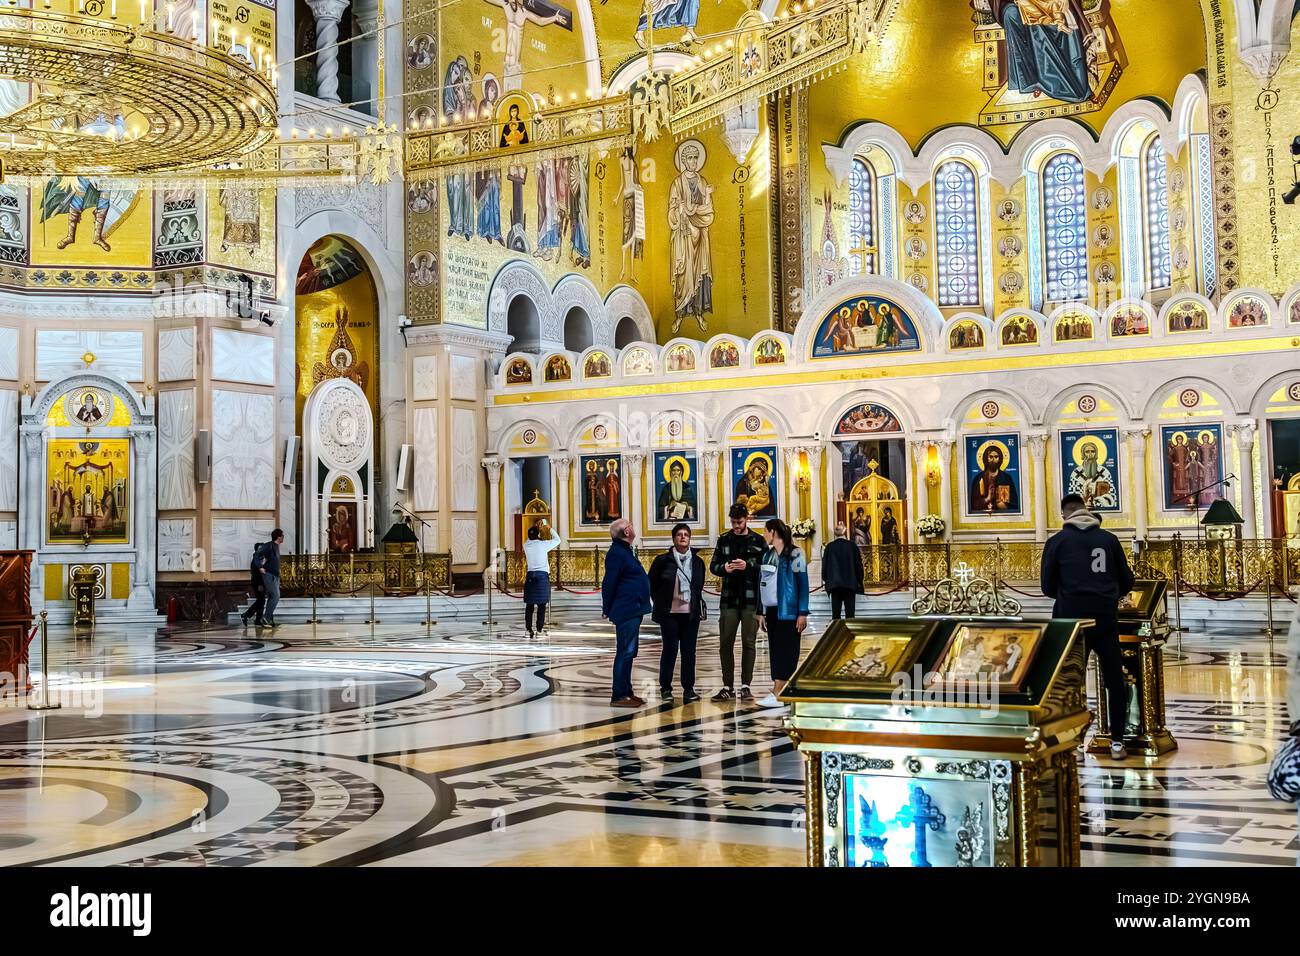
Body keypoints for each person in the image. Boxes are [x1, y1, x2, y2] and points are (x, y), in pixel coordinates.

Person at [1040, 494, 1134, 759]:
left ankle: (1076, 744)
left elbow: (1047, 588)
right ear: (1086, 511)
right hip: (1105, 619)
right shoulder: (1109, 540)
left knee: (1071, 682)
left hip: (1070, 624)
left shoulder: (1056, 542)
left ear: (1064, 515)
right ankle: (1117, 742)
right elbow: (1127, 580)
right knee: (1114, 680)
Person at [709, 503, 766, 701]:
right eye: (733, 522)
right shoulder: (724, 539)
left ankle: (745, 685)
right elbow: (713, 566)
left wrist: (748, 565)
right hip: (729, 599)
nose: (735, 526)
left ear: (747, 520)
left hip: (751, 599)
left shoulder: (758, 540)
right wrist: (725, 567)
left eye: (739, 522)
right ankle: (727, 686)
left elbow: (766, 567)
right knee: (725, 643)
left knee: (749, 643)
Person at [649, 523, 705, 703]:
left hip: (690, 614)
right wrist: (662, 602)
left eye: (686, 534)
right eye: (679, 534)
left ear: (690, 538)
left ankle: (689, 688)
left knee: (689, 652)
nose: (683, 537)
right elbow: (653, 584)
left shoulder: (697, 562)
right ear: (673, 538)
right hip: (670, 614)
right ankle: (665, 688)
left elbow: (699, 585)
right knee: (670, 650)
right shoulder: (662, 561)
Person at [756, 518, 810, 709]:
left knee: (788, 650)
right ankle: (778, 689)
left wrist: (802, 612)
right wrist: (760, 611)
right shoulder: (767, 556)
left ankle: (780, 691)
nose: (764, 535)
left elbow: (803, 585)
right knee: (775, 650)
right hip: (772, 611)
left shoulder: (795, 555)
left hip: (789, 611)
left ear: (773, 532)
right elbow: (761, 584)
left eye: (765, 531)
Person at [601, 518, 651, 708]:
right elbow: (609, 582)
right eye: (631, 525)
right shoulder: (617, 553)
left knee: (630, 652)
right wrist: (606, 608)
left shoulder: (624, 551)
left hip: (633, 607)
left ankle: (627, 691)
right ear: (627, 532)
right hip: (626, 609)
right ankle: (619, 695)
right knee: (625, 651)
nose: (633, 527)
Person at [523, 522, 562, 639]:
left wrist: (536, 530)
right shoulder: (543, 544)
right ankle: (539, 630)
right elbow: (558, 540)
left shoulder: (526, 545)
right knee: (541, 605)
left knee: (529, 605)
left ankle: (528, 629)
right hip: (542, 576)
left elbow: (529, 538)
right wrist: (549, 528)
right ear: (538, 535)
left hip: (530, 576)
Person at [822, 522, 864, 620]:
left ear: (835, 534)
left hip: (834, 585)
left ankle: (836, 634)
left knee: (835, 616)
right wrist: (859, 580)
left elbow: (824, 567)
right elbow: (858, 565)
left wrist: (826, 580)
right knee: (850, 615)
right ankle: (849, 634)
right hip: (849, 585)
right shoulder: (852, 546)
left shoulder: (829, 547)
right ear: (845, 532)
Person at [255, 529, 285, 628]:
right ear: (278, 537)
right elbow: (256, 555)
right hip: (269, 574)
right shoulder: (269, 545)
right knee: (276, 596)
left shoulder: (276, 546)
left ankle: (269, 619)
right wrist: (260, 567)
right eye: (282, 535)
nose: (283, 537)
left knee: (272, 597)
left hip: (275, 576)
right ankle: (266, 618)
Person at [241, 540, 268, 626]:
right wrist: (260, 585)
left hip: (261, 583)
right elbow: (256, 574)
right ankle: (246, 615)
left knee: (261, 601)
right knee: (261, 600)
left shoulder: (261, 559)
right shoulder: (256, 560)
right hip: (257, 583)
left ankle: (257, 620)